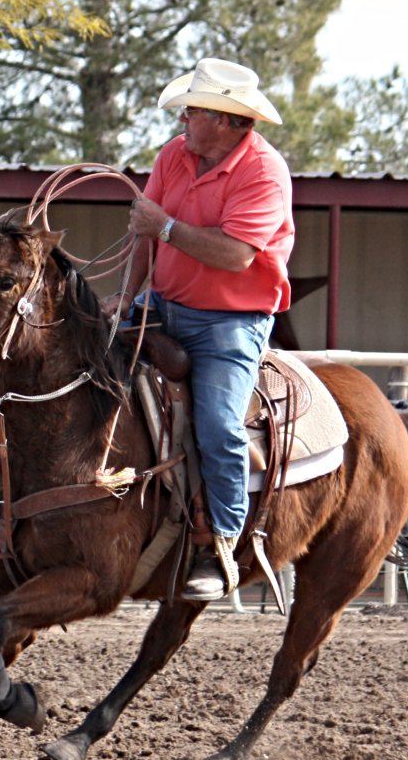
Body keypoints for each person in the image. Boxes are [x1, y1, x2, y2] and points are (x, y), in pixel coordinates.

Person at [122, 58, 295, 601]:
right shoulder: (174, 155)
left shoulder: (264, 172)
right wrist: (125, 302)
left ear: (225, 120)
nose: (184, 119)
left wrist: (166, 228)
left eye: (194, 110)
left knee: (220, 426)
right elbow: (143, 236)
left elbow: (237, 255)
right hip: (164, 302)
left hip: (230, 322)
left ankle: (219, 542)